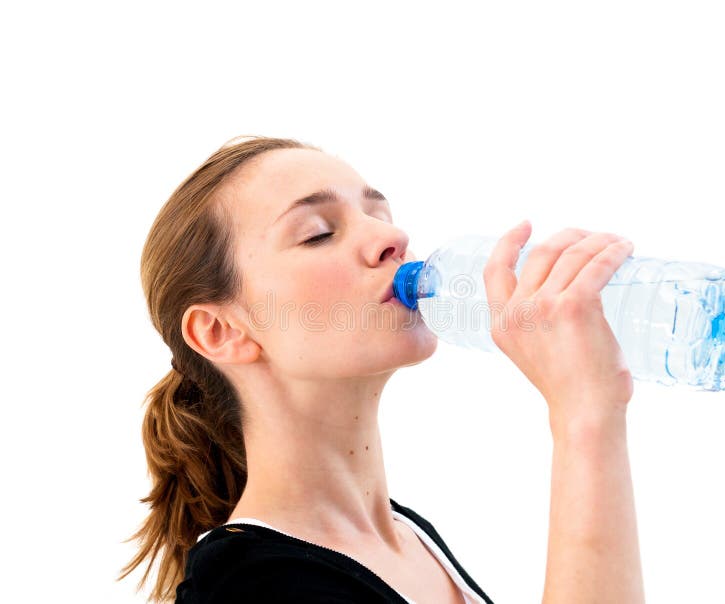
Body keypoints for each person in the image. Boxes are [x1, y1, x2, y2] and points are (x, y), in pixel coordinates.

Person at [117, 136, 645, 603]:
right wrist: (586, 416)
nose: (393, 238)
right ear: (220, 332)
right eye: (318, 233)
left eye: (380, 215)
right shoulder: (245, 586)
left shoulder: (409, 537)